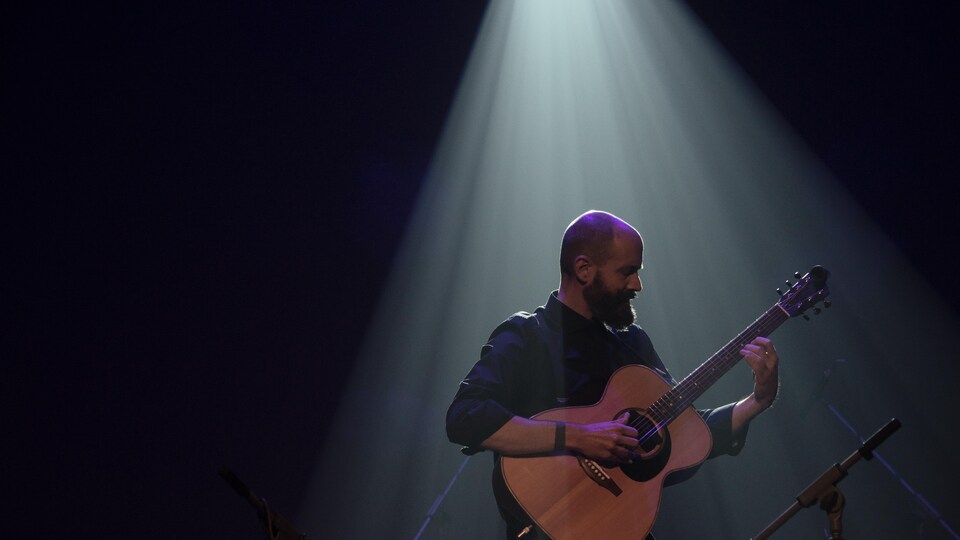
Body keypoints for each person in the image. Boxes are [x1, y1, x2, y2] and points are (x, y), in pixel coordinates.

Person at [445, 210, 780, 539]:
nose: (637, 284)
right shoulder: (527, 335)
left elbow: (685, 430)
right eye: (627, 272)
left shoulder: (633, 343)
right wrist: (580, 437)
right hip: (547, 525)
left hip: (619, 526)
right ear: (584, 269)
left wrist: (758, 401)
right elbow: (465, 416)